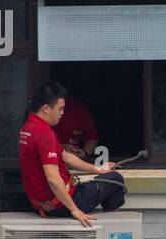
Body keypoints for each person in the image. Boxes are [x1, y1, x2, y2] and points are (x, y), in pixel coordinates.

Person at [18, 82, 124, 227]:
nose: (62, 113)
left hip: (43, 204)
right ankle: (111, 232)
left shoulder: (28, 127)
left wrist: (99, 169)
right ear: (46, 108)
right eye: (60, 109)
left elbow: (67, 157)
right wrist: (74, 210)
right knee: (116, 179)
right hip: (63, 203)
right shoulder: (44, 134)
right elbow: (53, 180)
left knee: (105, 176)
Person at [54, 94, 99, 160]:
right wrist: (61, 148)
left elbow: (91, 138)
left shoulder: (80, 110)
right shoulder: (41, 125)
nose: (62, 113)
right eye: (60, 109)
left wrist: (84, 152)